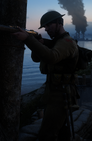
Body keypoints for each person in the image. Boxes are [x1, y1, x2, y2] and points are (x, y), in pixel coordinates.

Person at [13, 10, 79, 141]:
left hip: (62, 95)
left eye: (49, 25)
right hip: (54, 93)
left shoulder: (66, 42)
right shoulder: (56, 42)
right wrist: (39, 43)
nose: (47, 29)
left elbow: (51, 57)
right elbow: (36, 59)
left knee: (47, 135)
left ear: (59, 23)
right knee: (58, 131)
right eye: (45, 27)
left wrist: (28, 39)